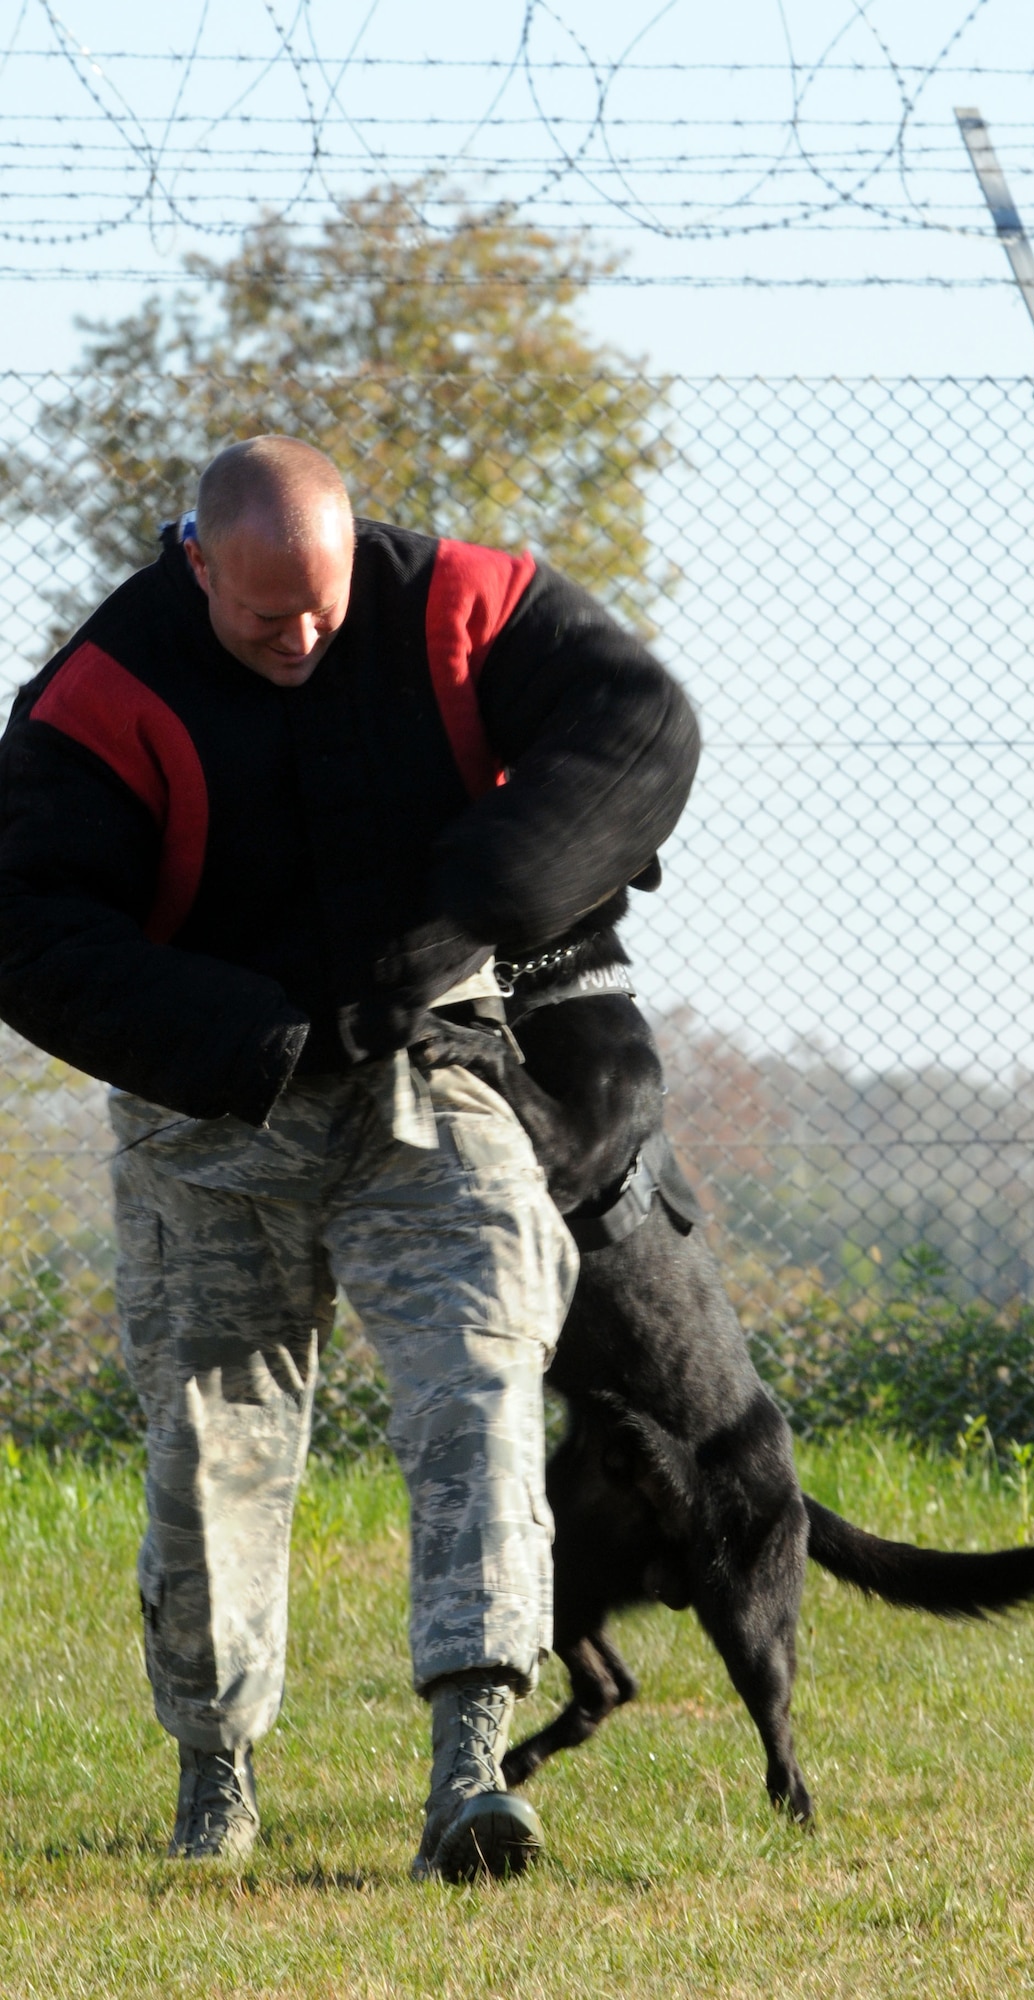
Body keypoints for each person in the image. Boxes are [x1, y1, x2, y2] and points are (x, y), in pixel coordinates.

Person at [0, 436, 699, 1880]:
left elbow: (634, 723)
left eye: (322, 604)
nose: (304, 635)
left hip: (431, 1076)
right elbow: (26, 923)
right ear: (195, 563)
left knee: (480, 1387)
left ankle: (472, 1764)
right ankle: (217, 1774)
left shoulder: (452, 599)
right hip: (211, 1115)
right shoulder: (100, 692)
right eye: (266, 616)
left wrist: (473, 910)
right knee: (213, 1449)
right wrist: (255, 1038)